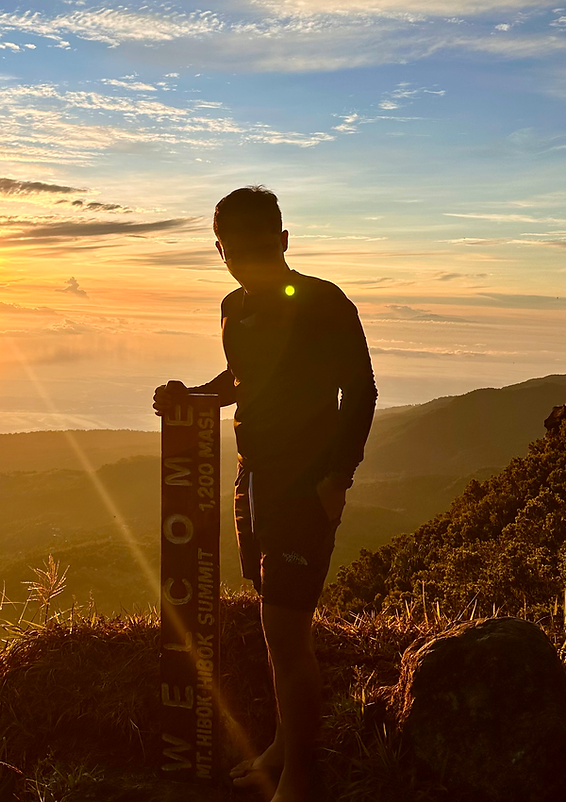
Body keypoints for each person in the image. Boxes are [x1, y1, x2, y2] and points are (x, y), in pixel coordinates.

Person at [153, 186, 377, 802]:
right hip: (252, 478)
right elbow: (241, 378)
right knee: (271, 612)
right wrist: (192, 395)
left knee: (286, 629)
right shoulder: (232, 305)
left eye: (258, 242)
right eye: (232, 246)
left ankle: (303, 779)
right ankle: (285, 746)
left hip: (303, 487)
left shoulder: (322, 302)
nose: (244, 256)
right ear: (219, 248)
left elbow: (361, 392)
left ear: (282, 240)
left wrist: (336, 482)